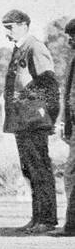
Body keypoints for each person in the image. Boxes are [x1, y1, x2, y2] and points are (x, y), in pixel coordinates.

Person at [1, 9, 60, 234]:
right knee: (30, 170)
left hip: (35, 119)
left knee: (40, 169)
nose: (7, 32)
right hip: (23, 120)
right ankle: (38, 218)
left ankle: (47, 219)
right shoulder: (20, 49)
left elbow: (49, 83)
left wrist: (49, 116)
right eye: (5, 27)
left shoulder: (35, 47)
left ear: (24, 25)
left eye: (11, 27)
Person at [51, 18, 75, 237]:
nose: (70, 40)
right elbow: (68, 96)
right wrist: (66, 122)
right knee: (71, 173)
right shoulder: (72, 59)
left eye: (73, 36)